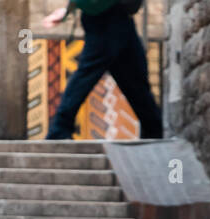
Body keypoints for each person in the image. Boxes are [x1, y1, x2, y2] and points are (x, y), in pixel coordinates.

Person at [42, 0, 162, 140]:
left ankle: (153, 130)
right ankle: (59, 129)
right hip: (106, 18)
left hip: (119, 17)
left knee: (135, 79)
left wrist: (67, 10)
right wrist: (68, 9)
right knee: (86, 75)